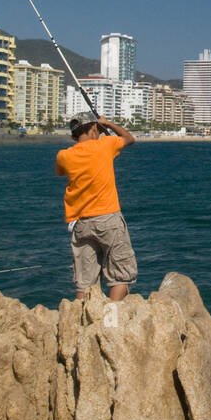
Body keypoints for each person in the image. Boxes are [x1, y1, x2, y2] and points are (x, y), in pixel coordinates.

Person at [56, 113, 137, 301]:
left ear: (74, 135)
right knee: (121, 275)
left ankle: (81, 322)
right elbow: (129, 138)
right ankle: (110, 321)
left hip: (81, 224)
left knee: (85, 282)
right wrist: (107, 124)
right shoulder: (105, 145)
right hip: (108, 218)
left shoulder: (64, 156)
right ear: (94, 129)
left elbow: (60, 172)